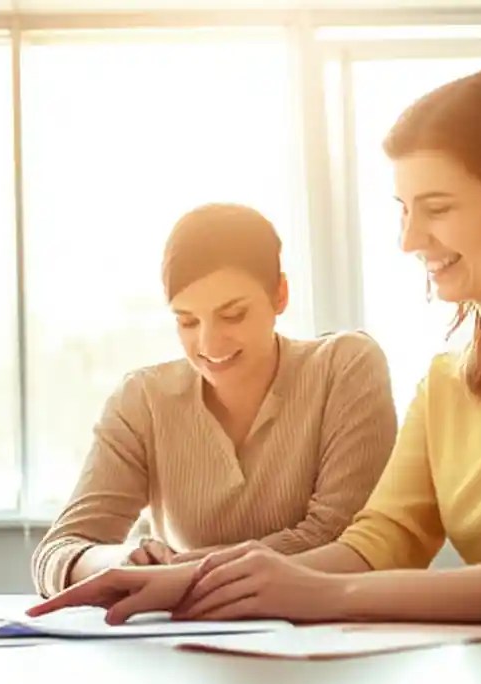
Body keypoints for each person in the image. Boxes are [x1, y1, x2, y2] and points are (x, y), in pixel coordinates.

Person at [28, 64, 481, 626]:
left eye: (438, 207)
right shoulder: (447, 384)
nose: (408, 240)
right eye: (403, 209)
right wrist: (195, 581)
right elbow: (379, 540)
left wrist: (329, 594)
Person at [31, 203, 398, 598]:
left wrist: (179, 573)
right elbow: (56, 553)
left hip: (325, 637)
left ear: (280, 294)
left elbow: (344, 539)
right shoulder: (143, 400)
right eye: (187, 321)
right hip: (189, 639)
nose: (208, 344)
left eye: (233, 315)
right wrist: (119, 563)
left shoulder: (344, 367)